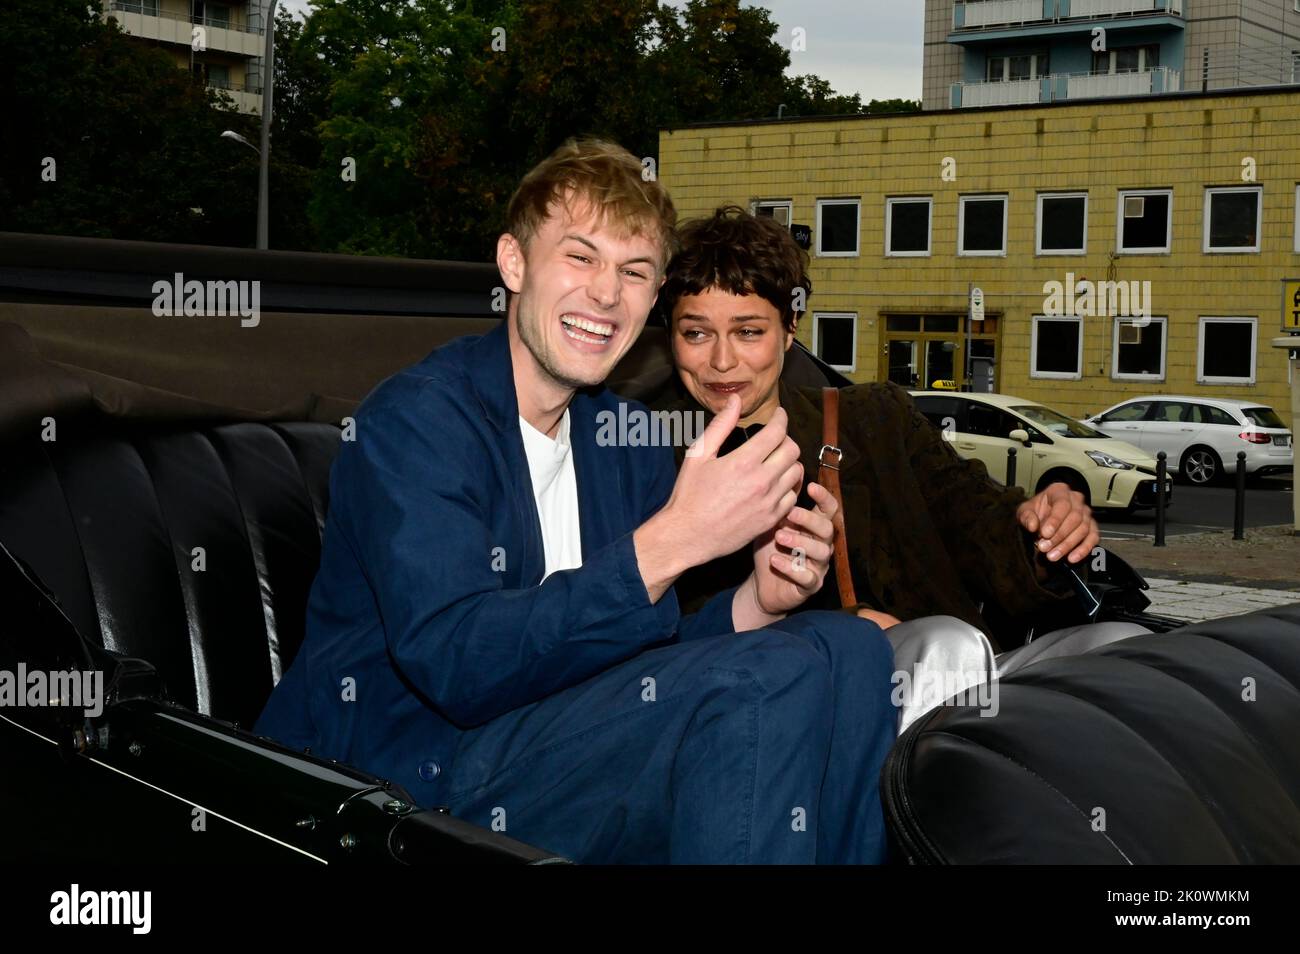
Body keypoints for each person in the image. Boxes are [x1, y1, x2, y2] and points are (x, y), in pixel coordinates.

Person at [255, 141, 898, 864]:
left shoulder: (621, 441)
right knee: (766, 676)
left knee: (853, 649)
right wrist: (675, 542)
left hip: (552, 748)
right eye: (580, 258)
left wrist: (760, 600)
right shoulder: (416, 423)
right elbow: (455, 667)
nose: (605, 294)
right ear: (514, 263)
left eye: (633, 272)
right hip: (403, 775)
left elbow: (645, 664)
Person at [650, 206, 1149, 719]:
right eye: (696, 333)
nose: (722, 361)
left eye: (748, 332)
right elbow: (672, 630)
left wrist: (1043, 527)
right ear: (672, 338)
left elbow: (976, 518)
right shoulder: (651, 457)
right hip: (813, 705)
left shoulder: (876, 419)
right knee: (943, 646)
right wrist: (848, 624)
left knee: (1124, 650)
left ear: (790, 326)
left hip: (970, 678)